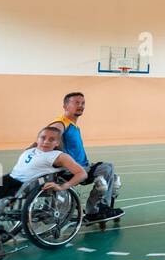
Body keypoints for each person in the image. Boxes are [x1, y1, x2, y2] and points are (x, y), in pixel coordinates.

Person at [0, 125, 86, 251]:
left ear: (57, 142)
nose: (46, 141)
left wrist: (62, 186)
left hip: (27, 185)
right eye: (43, 138)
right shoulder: (30, 150)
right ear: (37, 139)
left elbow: (82, 173)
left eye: (52, 139)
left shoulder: (59, 156)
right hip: (13, 178)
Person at [49, 93, 123, 223]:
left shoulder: (74, 126)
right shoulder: (61, 123)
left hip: (83, 166)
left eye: (83, 103)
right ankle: (97, 209)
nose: (81, 106)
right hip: (73, 170)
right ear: (65, 106)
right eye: (76, 103)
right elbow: (52, 133)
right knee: (107, 168)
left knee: (108, 170)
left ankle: (96, 209)